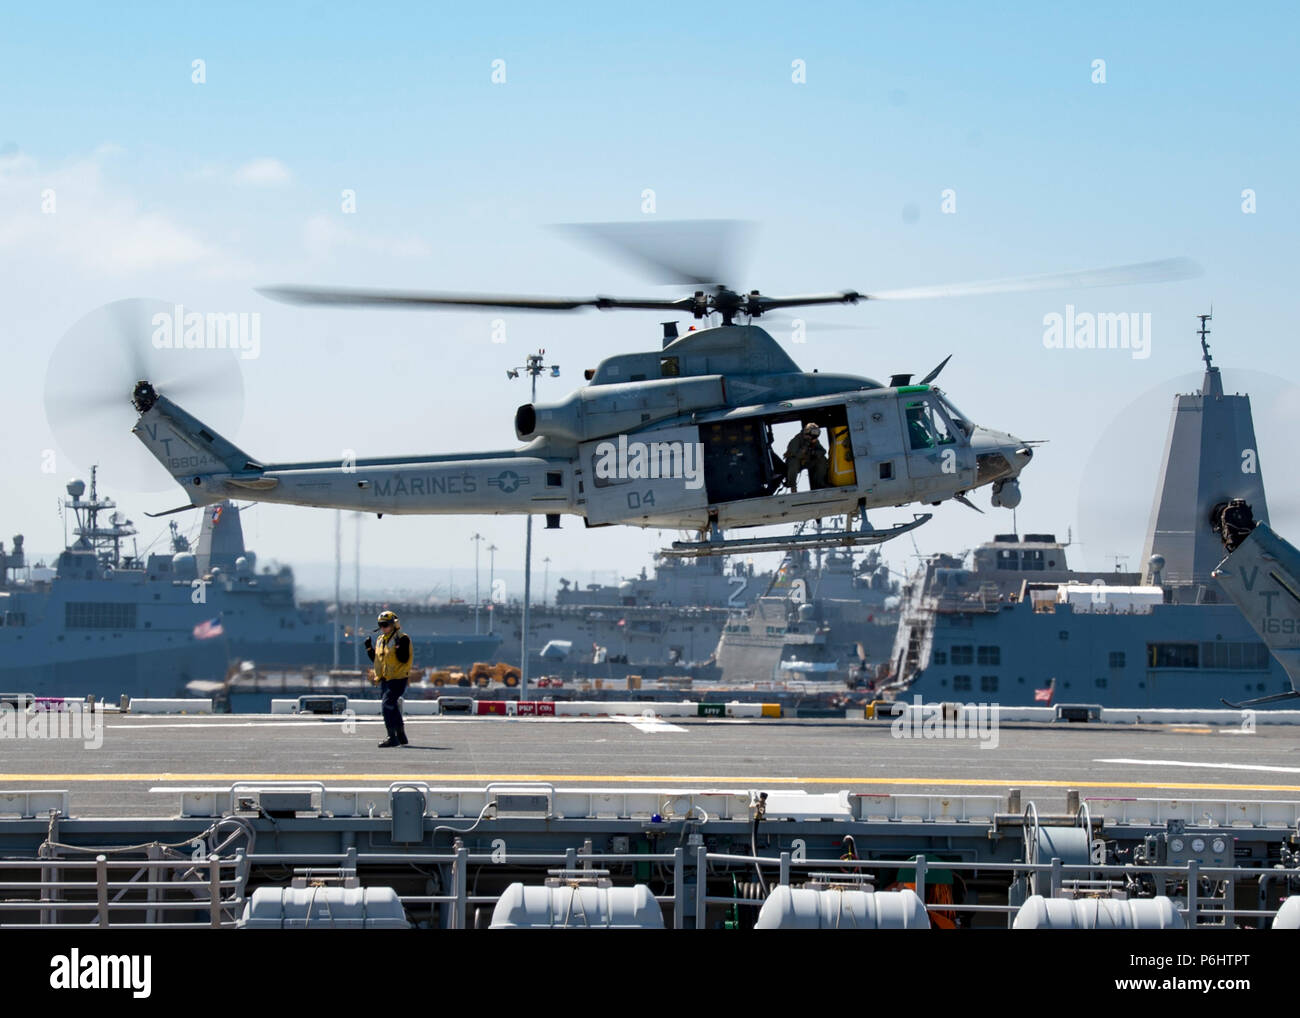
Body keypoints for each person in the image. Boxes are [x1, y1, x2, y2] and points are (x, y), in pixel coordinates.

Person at [365, 610, 412, 748]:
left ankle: (392, 737)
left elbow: (404, 659)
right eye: (381, 625)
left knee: (386, 705)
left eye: (386, 624)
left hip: (398, 678)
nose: (383, 627)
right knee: (392, 706)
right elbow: (377, 660)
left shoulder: (403, 638)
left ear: (394, 624)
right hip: (385, 679)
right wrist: (369, 648)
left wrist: (398, 646)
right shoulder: (381, 640)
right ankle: (401, 735)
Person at [784, 423, 829, 491]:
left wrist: (814, 452)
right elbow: (797, 455)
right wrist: (806, 445)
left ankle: (819, 483)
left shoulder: (813, 440)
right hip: (795, 464)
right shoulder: (796, 440)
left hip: (807, 462)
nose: (811, 438)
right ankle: (792, 485)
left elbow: (823, 451)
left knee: (822, 459)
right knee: (793, 461)